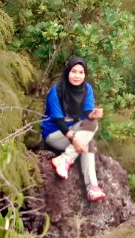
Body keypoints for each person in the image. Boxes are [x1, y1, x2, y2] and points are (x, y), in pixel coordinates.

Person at [41, 56, 105, 201]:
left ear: (85, 74)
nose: (77, 76)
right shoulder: (56, 91)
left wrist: (93, 114)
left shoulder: (86, 88)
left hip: (75, 130)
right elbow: (58, 120)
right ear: (67, 72)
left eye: (81, 72)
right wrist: (74, 139)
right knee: (88, 143)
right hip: (54, 134)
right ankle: (90, 185)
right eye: (73, 71)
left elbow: (87, 113)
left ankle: (67, 161)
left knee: (92, 124)